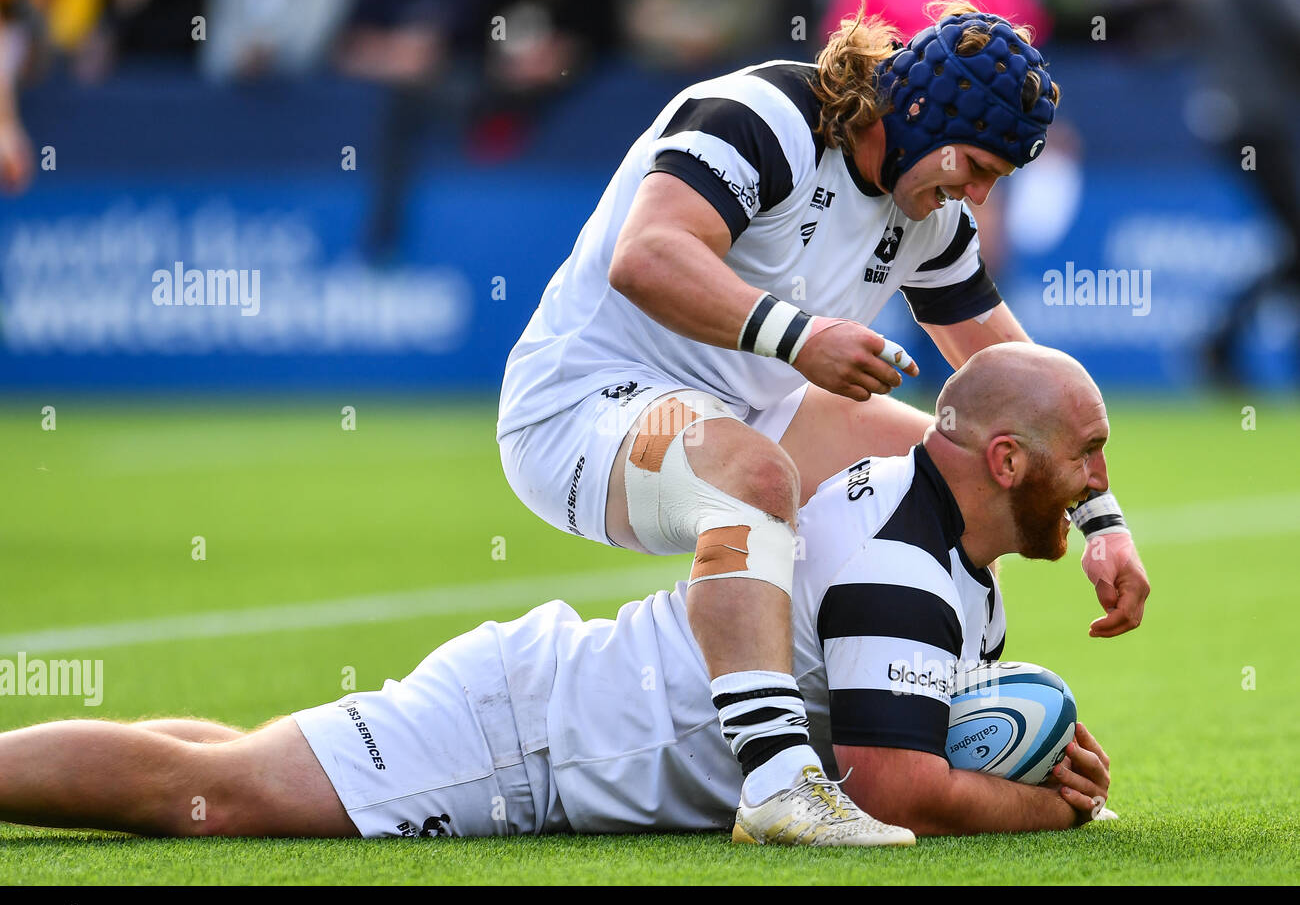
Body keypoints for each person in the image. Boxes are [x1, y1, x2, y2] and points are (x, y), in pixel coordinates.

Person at [0, 345, 1115, 842]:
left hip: (555, 711)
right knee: (219, 796)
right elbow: (901, 789)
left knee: (237, 763)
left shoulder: (933, 536)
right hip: (531, 742)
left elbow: (914, 737)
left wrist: (1032, 749)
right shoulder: (902, 562)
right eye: (1090, 455)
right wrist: (1049, 805)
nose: (1103, 486)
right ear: (1007, 462)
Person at [495, 0, 1149, 841]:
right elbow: (646, 255)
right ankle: (777, 784)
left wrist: (1101, 517)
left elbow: (1024, 388)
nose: (980, 195)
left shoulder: (931, 215)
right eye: (977, 166)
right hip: (580, 407)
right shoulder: (762, 117)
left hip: (739, 407)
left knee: (961, 472)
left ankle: (941, 733)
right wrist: (800, 338)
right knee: (753, 479)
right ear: (922, 114)